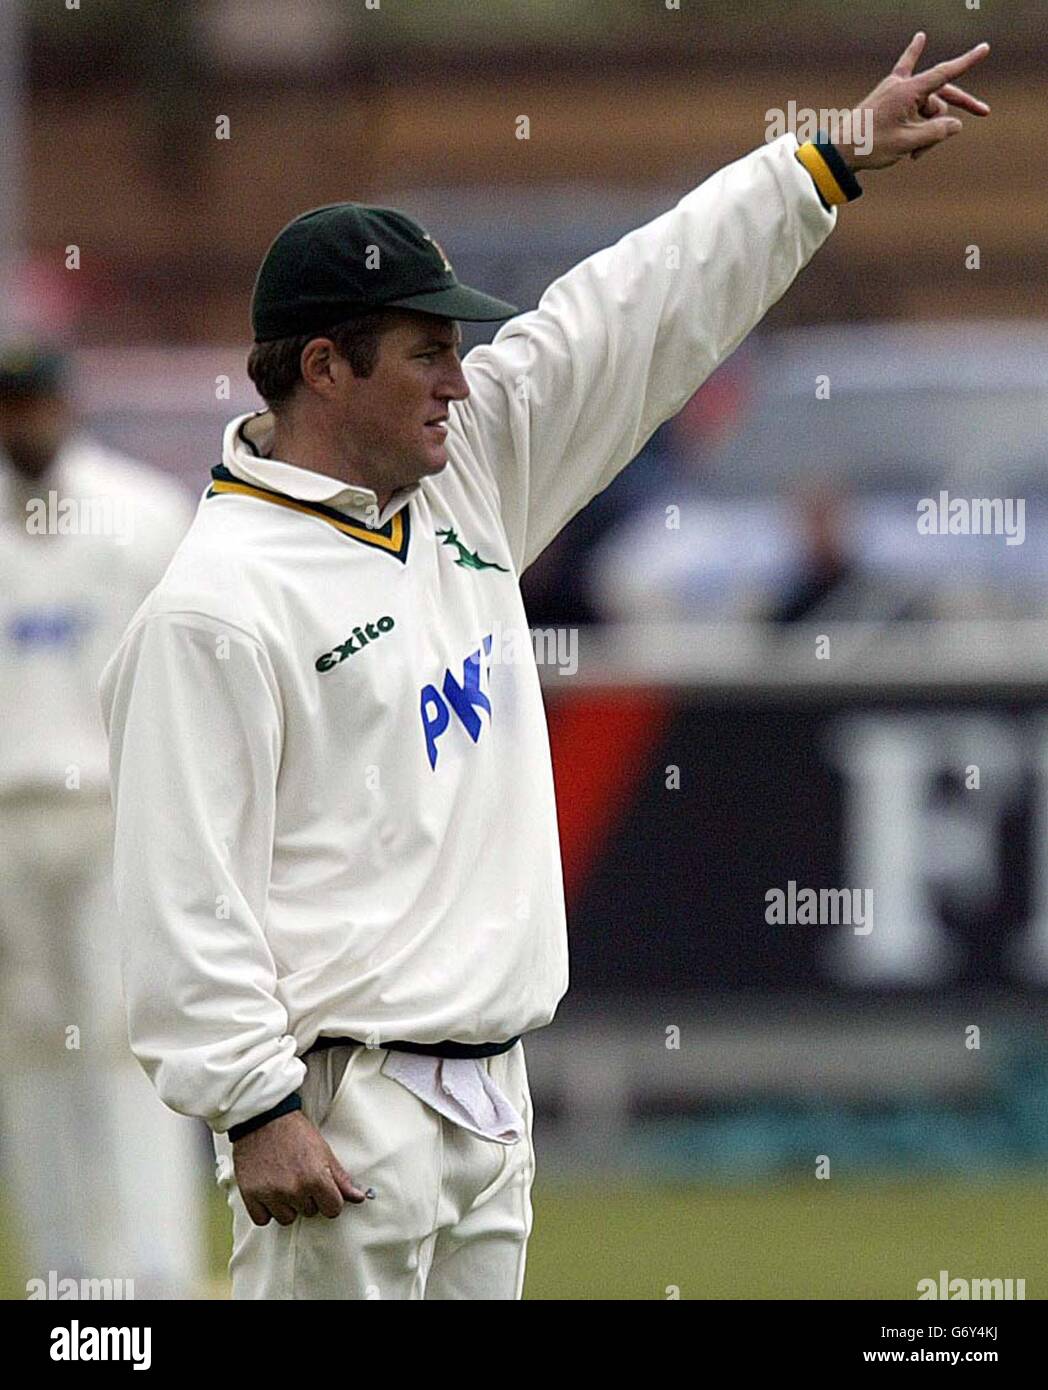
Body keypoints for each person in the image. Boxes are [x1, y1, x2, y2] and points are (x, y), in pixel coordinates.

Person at [100, 34, 990, 1300]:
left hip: (493, 1109)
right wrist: (252, 1106)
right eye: (426, 352)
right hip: (340, 1118)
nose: (462, 381)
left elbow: (633, 308)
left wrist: (821, 163)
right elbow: (180, 885)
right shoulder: (219, 600)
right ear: (323, 365)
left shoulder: (467, 479)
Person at [0, 341, 205, 1296]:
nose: (26, 425)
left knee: (126, 1042)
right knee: (30, 1053)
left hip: (109, 816)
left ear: (66, 407)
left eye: (37, 403)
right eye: (11, 407)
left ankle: (155, 1277)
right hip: (6, 827)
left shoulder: (140, 517)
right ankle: (68, 1280)